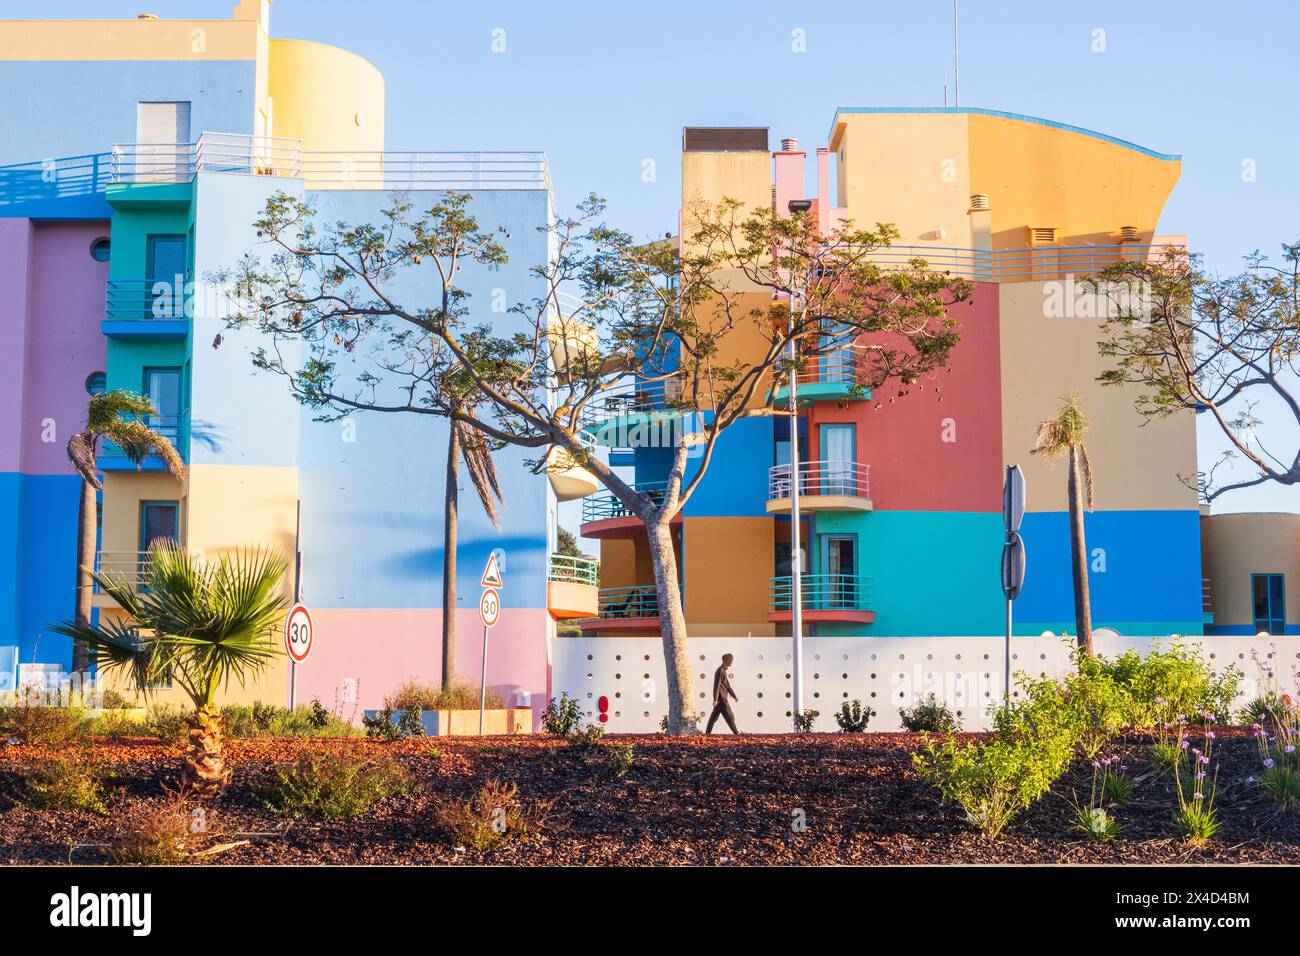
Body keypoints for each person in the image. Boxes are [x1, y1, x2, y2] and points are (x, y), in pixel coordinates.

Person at [705, 652, 740, 734]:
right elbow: (716, 686)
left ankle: (707, 733)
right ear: (725, 661)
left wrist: (734, 696)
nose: (731, 662)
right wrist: (715, 699)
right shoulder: (720, 671)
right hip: (722, 699)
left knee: (713, 718)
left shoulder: (723, 671)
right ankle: (736, 733)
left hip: (721, 698)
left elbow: (727, 686)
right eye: (730, 660)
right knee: (730, 716)